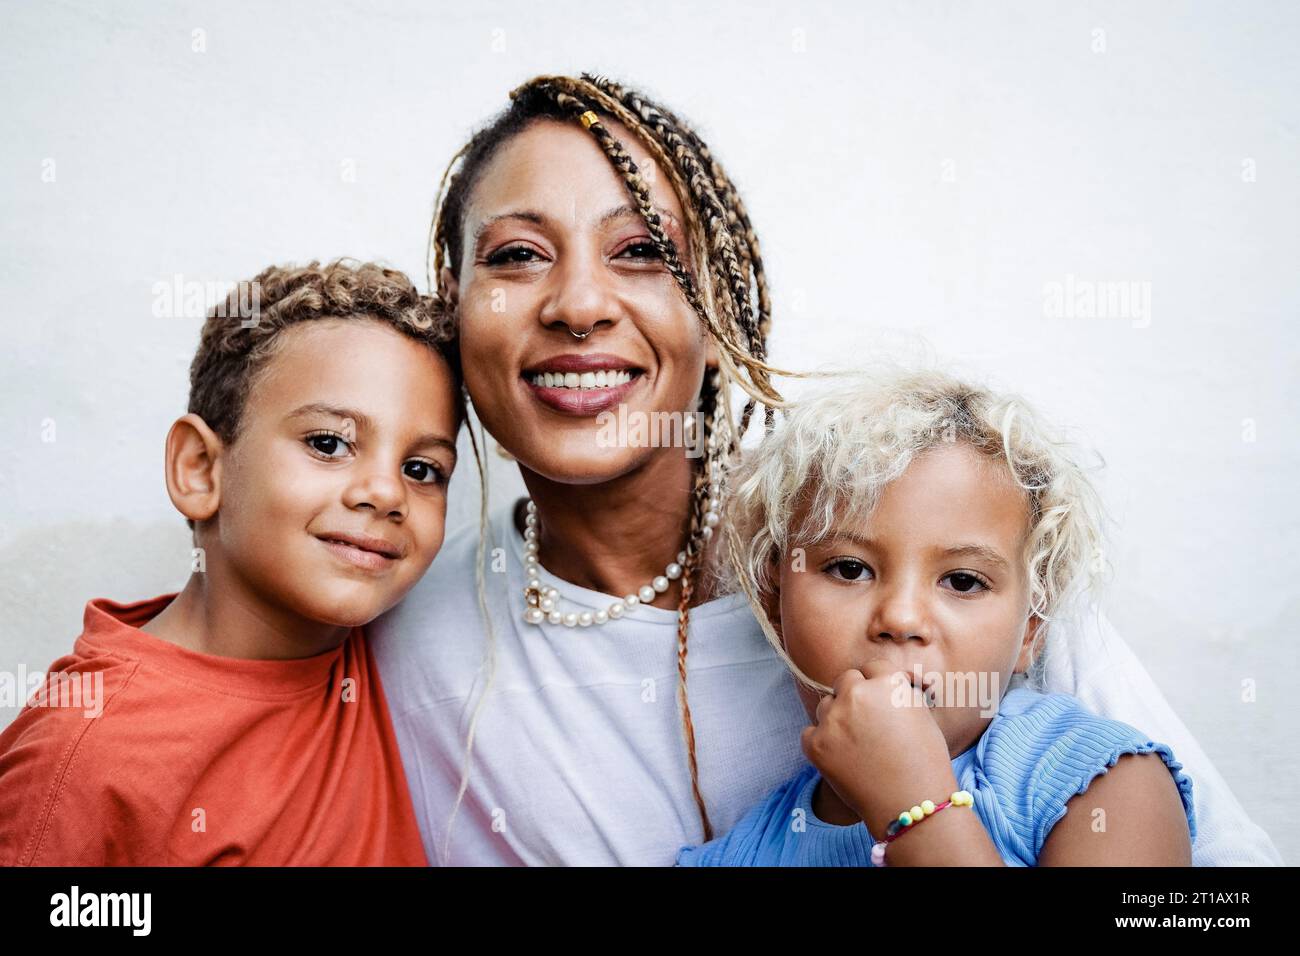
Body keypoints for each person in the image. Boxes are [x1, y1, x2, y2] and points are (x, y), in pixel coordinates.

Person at [370, 73, 1281, 866]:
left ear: (719, 317)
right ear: (454, 310)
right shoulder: (414, 637)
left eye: (642, 251)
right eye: (518, 255)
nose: (576, 305)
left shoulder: (927, 515)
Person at [0, 260, 461, 865]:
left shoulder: (397, 652)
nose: (387, 493)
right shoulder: (82, 756)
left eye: (422, 469)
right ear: (200, 468)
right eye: (328, 444)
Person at [677, 368, 1195, 865]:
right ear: (775, 603)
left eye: (963, 581)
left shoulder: (1097, 783)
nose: (900, 618)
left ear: (1031, 629)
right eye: (849, 569)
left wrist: (913, 807)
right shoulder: (740, 852)